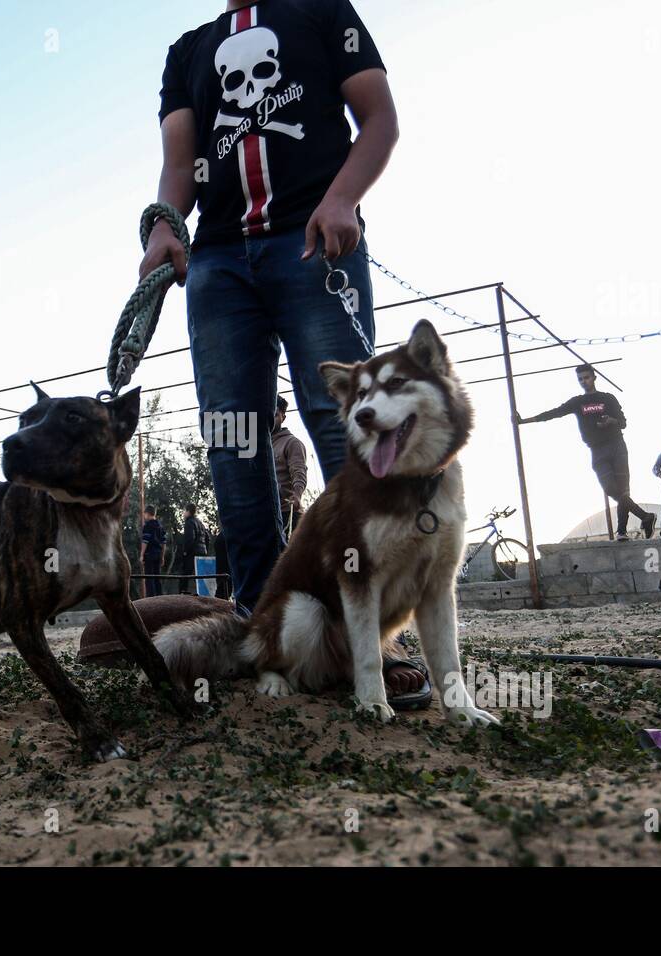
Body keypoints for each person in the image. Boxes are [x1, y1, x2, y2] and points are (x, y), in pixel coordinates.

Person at [142, 0, 399, 617]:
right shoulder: (188, 50)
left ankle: (369, 626)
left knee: (345, 420)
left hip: (313, 240)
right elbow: (180, 164)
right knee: (233, 437)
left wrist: (343, 199)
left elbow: (381, 120)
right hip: (219, 260)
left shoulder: (321, 13)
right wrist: (163, 227)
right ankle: (262, 618)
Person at [515, 364, 657, 541]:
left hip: (616, 446)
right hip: (597, 450)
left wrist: (610, 421)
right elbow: (555, 413)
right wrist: (524, 421)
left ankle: (622, 532)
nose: (584, 381)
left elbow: (623, 422)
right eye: (580, 379)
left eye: (586, 377)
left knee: (623, 491)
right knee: (611, 489)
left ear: (594, 377)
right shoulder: (577, 402)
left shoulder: (608, 398)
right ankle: (645, 516)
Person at [272, 396, 308, 536]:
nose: (270, 419)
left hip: (287, 513)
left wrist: (297, 494)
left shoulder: (292, 443)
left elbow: (299, 471)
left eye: (275, 415)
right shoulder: (259, 445)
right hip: (263, 513)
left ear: (283, 417)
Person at [176, 503, 209, 594]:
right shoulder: (200, 522)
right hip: (202, 552)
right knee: (199, 575)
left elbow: (190, 538)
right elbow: (207, 537)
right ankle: (202, 593)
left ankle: (183, 593)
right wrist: (205, 549)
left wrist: (185, 551)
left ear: (188, 511)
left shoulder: (189, 522)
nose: (183, 513)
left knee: (185, 574)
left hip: (192, 552)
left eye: (184, 511)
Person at [140, 505, 167, 597]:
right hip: (158, 554)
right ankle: (159, 596)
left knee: (149, 577)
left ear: (147, 514)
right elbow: (164, 543)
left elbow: (145, 541)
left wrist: (141, 554)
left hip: (149, 553)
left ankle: (150, 598)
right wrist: (162, 556)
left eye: (144, 514)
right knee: (157, 577)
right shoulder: (160, 526)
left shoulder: (147, 526)